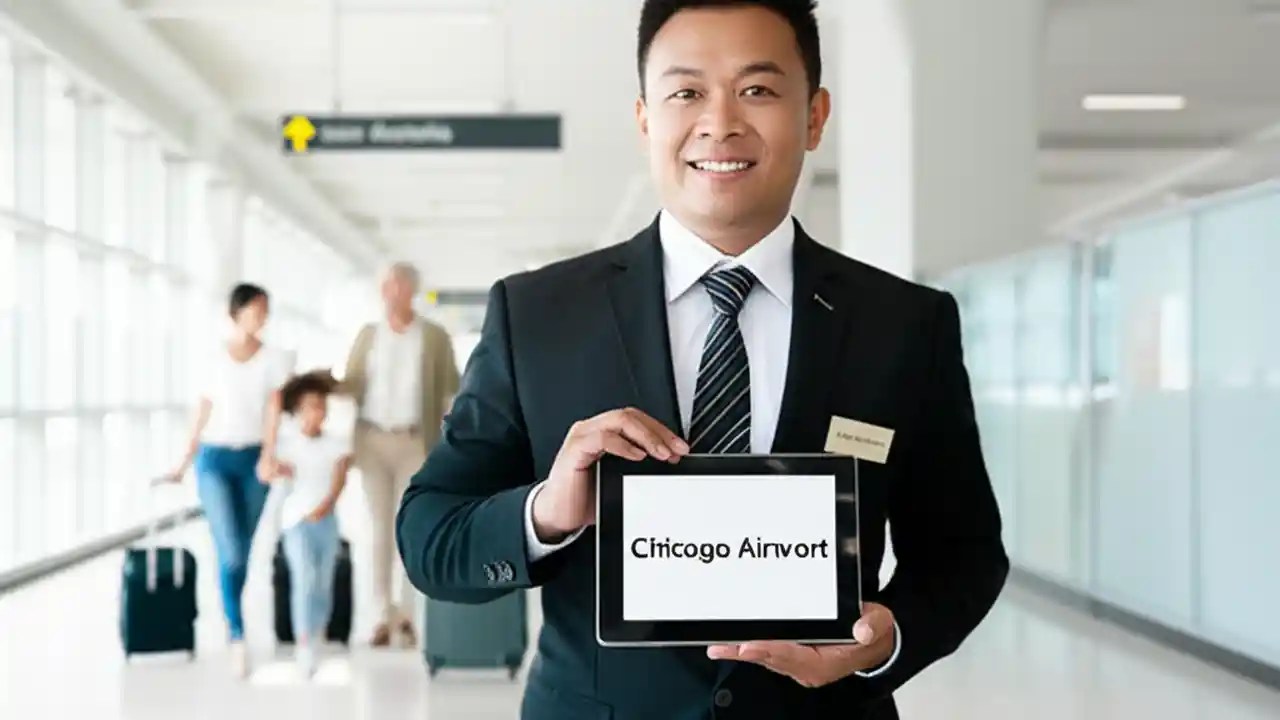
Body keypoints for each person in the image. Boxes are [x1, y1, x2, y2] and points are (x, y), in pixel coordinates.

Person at [396, 1, 1009, 718]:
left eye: (758, 89)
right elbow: (430, 534)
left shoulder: (905, 325)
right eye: (686, 92)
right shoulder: (537, 316)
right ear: (645, 119)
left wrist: (888, 637)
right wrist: (547, 513)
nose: (720, 123)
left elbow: (964, 554)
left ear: (814, 116)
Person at [167, 282, 294, 678]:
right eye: (256, 310)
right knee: (231, 549)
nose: (262, 318)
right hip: (214, 460)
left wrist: (270, 457)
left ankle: (231, 614)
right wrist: (184, 461)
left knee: (245, 547)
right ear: (236, 312)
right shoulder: (213, 359)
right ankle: (237, 631)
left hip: (254, 461)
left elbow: (274, 411)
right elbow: (201, 410)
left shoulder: (274, 359)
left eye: (266, 311)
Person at [335, 261, 460, 648]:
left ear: (411, 290)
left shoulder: (434, 336)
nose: (389, 293)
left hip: (414, 442)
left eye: (397, 286)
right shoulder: (368, 335)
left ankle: (408, 616)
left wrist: (451, 444)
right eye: (385, 286)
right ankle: (380, 616)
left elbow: (449, 393)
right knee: (378, 530)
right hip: (372, 441)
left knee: (409, 527)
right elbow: (352, 384)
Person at [262, 371, 352, 678]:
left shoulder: (337, 444)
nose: (316, 412)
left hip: (326, 521)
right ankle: (303, 640)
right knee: (304, 577)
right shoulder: (288, 445)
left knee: (324, 579)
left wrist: (325, 507)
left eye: (320, 405)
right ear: (299, 410)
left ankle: (319, 632)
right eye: (310, 405)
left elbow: (340, 481)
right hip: (295, 522)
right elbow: (269, 471)